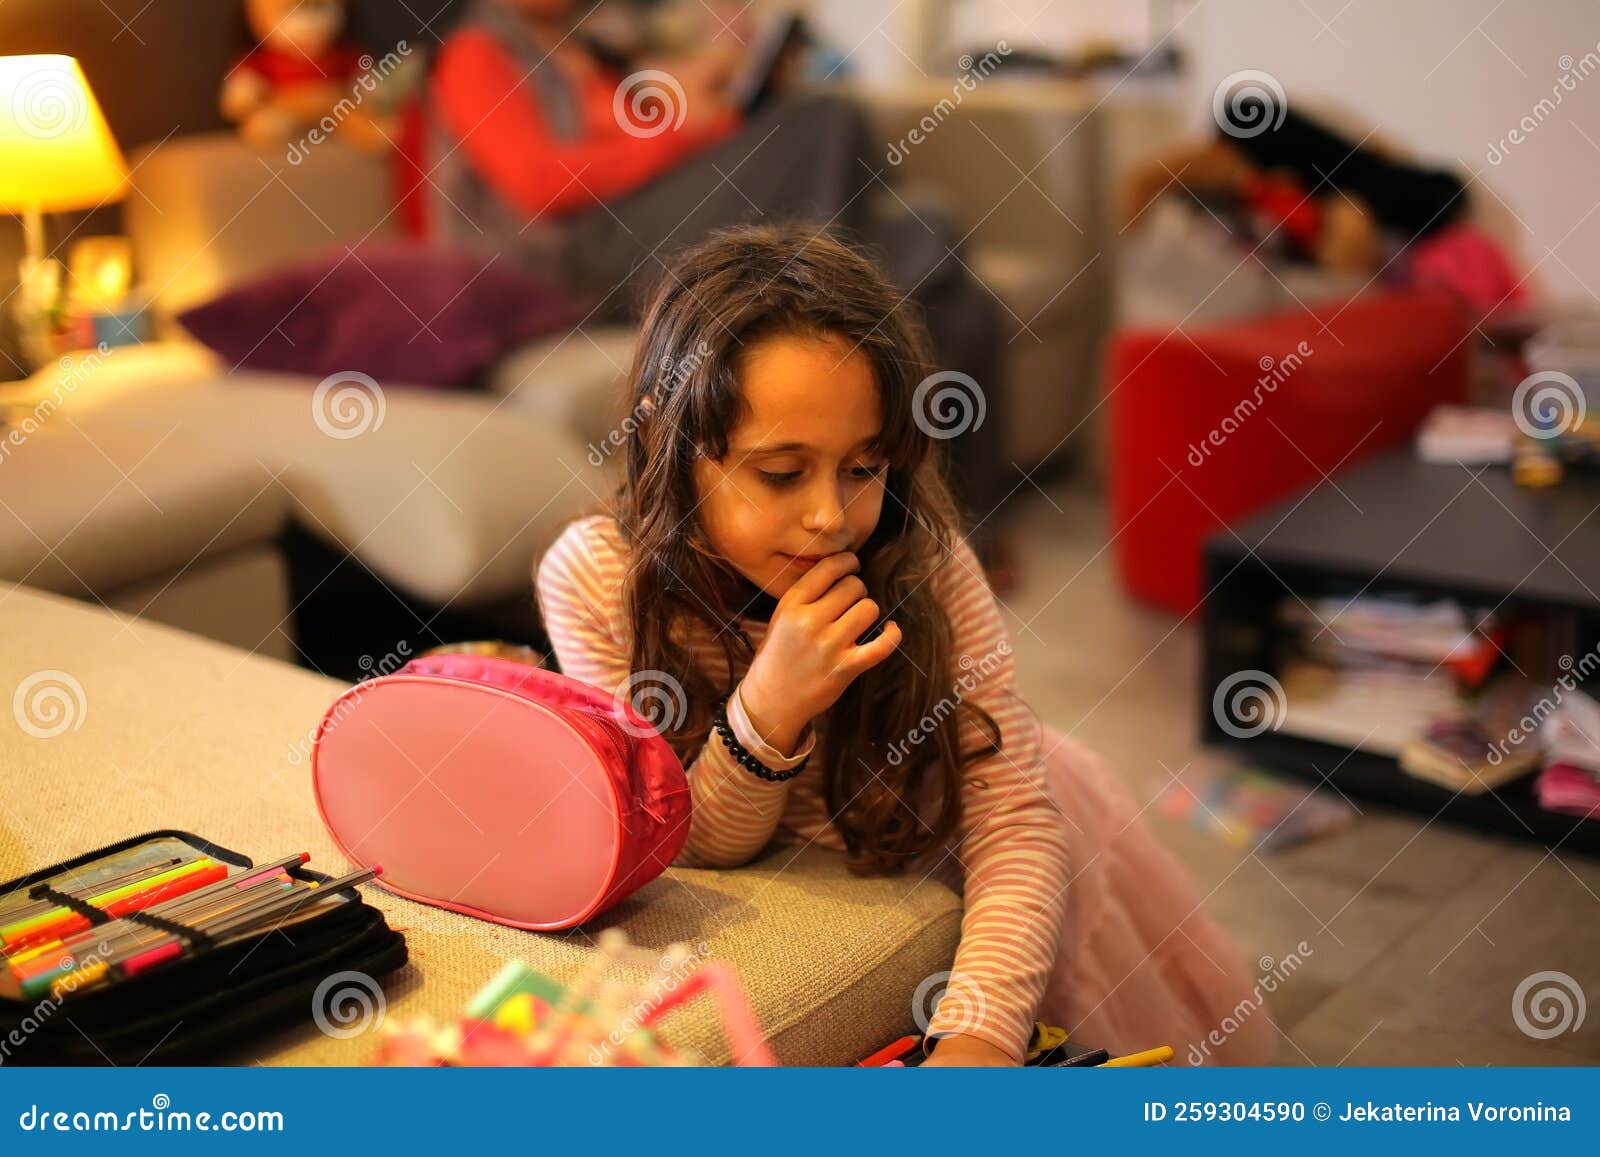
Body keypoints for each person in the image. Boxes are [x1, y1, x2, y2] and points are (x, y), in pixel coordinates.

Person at [534, 224, 1278, 1066]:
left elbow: (1015, 817)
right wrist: (769, 709)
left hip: (959, 836)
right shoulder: (597, 580)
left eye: (864, 466)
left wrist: (980, 1035)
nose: (830, 517)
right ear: (675, 450)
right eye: (782, 473)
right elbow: (690, 841)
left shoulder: (918, 554)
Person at [425, 0, 1016, 580]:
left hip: (631, 227)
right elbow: (541, 183)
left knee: (945, 275)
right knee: (831, 122)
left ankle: (954, 537)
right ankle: (828, 296)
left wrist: (719, 96)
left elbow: (627, 128)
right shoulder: (476, 50)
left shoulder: (587, 42)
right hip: (569, 258)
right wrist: (685, 134)